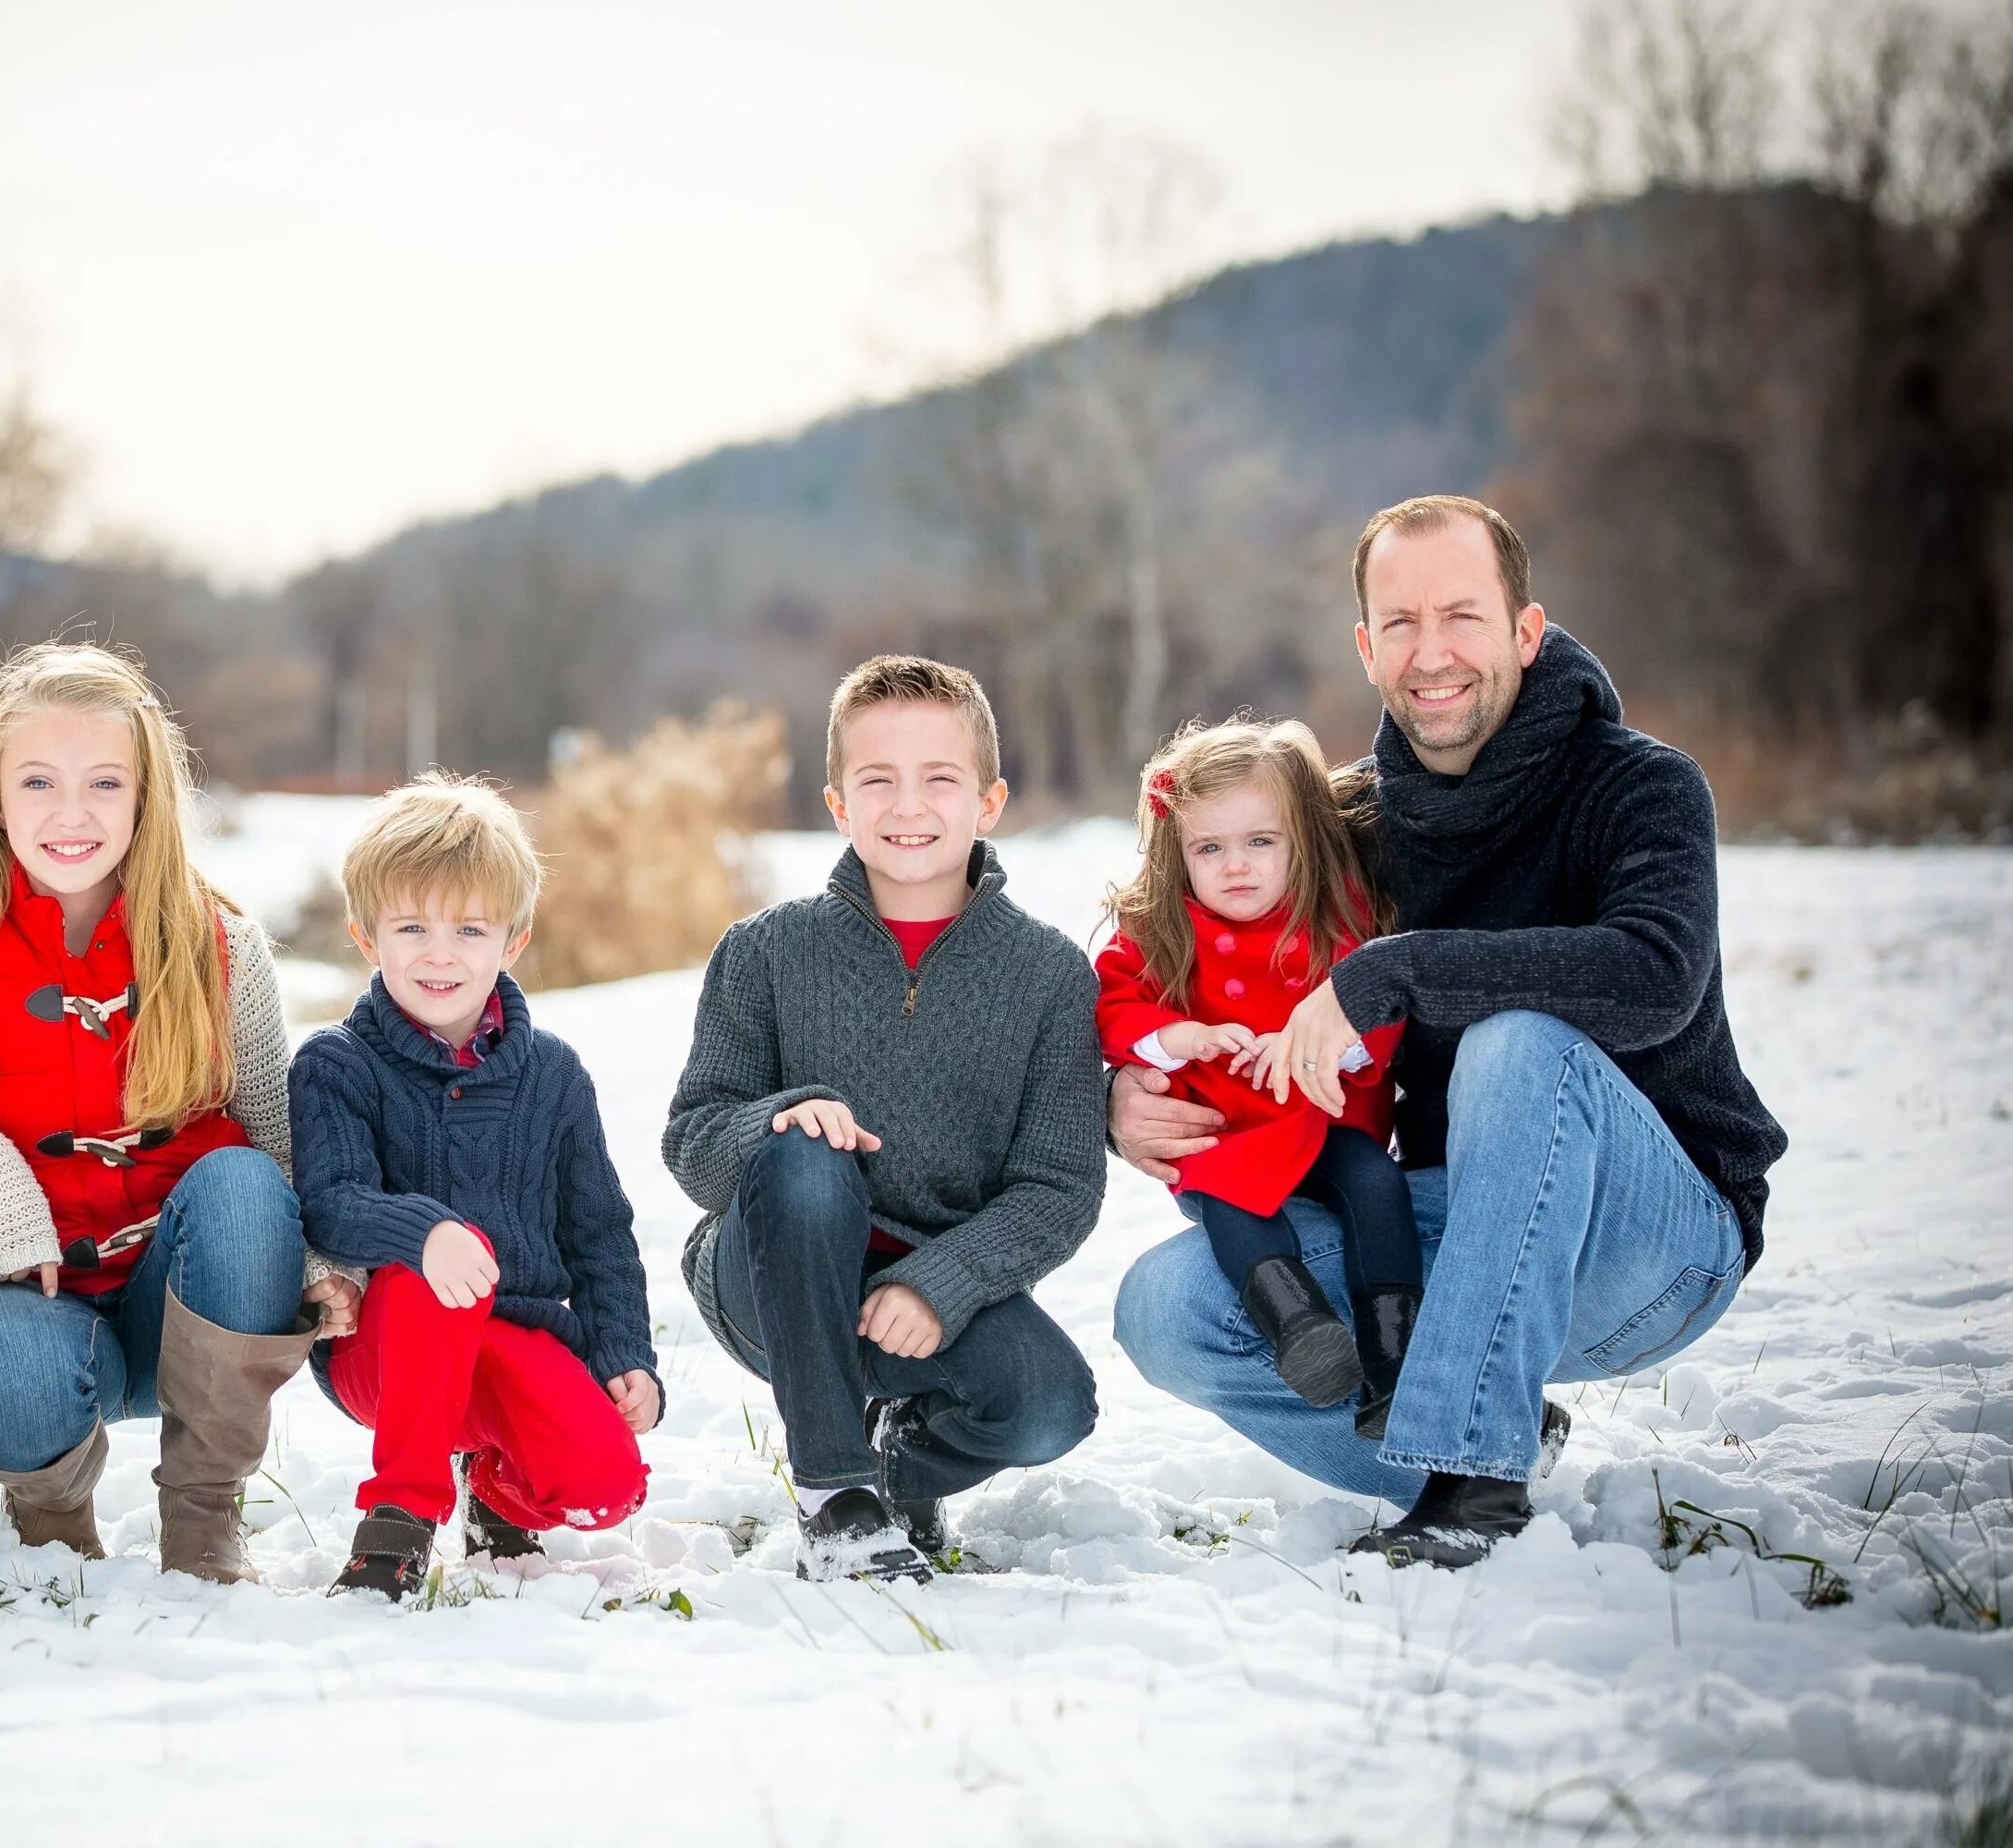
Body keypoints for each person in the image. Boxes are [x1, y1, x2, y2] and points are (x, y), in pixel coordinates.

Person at [1110, 495, 1788, 1568]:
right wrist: (1125, 1093)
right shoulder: (1350, 825)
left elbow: (1656, 978)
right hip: (1458, 1233)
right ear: (1367, 648)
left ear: (1526, 630)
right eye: (1402, 622)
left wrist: (1394, 971)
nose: (1433, 653)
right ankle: (1486, 1440)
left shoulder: (1642, 786)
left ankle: (1472, 1477)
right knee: (1168, 1305)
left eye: (1464, 616)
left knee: (1517, 1041)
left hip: (1652, 1239)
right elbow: (1190, 957)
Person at [0, 643, 359, 1580]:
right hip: (34, 1310)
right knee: (4, 1347)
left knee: (247, 1183)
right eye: (39, 780)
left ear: (146, 795)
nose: (71, 812)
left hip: (186, 1299)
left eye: (104, 781)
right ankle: (52, 1512)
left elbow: (279, 1144)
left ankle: (205, 1517)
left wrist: (319, 1258)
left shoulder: (223, 943)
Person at [662, 654, 1105, 1583]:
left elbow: (1057, 1186)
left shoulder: (1051, 974)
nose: (909, 805)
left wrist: (941, 1281)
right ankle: (834, 1496)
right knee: (806, 1147)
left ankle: (892, 1469)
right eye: (879, 780)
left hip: (933, 1298)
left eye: (940, 778)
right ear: (837, 803)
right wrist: (783, 1116)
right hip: (773, 1279)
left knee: (1050, 1404)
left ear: (988, 801)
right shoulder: (764, 951)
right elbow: (696, 1137)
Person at [292, 775, 659, 1599]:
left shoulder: (554, 1077)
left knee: (608, 1488)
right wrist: (423, 1233)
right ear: (364, 935)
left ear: (514, 940)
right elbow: (329, 1199)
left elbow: (599, 1234)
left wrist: (624, 1356)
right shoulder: (336, 1065)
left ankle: (493, 1489)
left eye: (469, 928)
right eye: (411, 927)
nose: (440, 952)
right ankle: (399, 1519)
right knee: (446, 1264)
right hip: (388, 1350)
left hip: (510, 1338)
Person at [1095, 718, 1415, 1435]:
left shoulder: (1339, 916)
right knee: (1229, 1203)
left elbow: (1384, 1001)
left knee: (1375, 1183)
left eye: (1260, 843)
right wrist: (1179, 1036)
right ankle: (1298, 1326)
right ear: (1179, 854)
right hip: (1226, 1131)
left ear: (1300, 841)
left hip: (1326, 1120)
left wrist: (1334, 1044)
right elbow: (1114, 1004)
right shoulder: (1160, 928)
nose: (1236, 866)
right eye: (1210, 848)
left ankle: (1396, 1358)